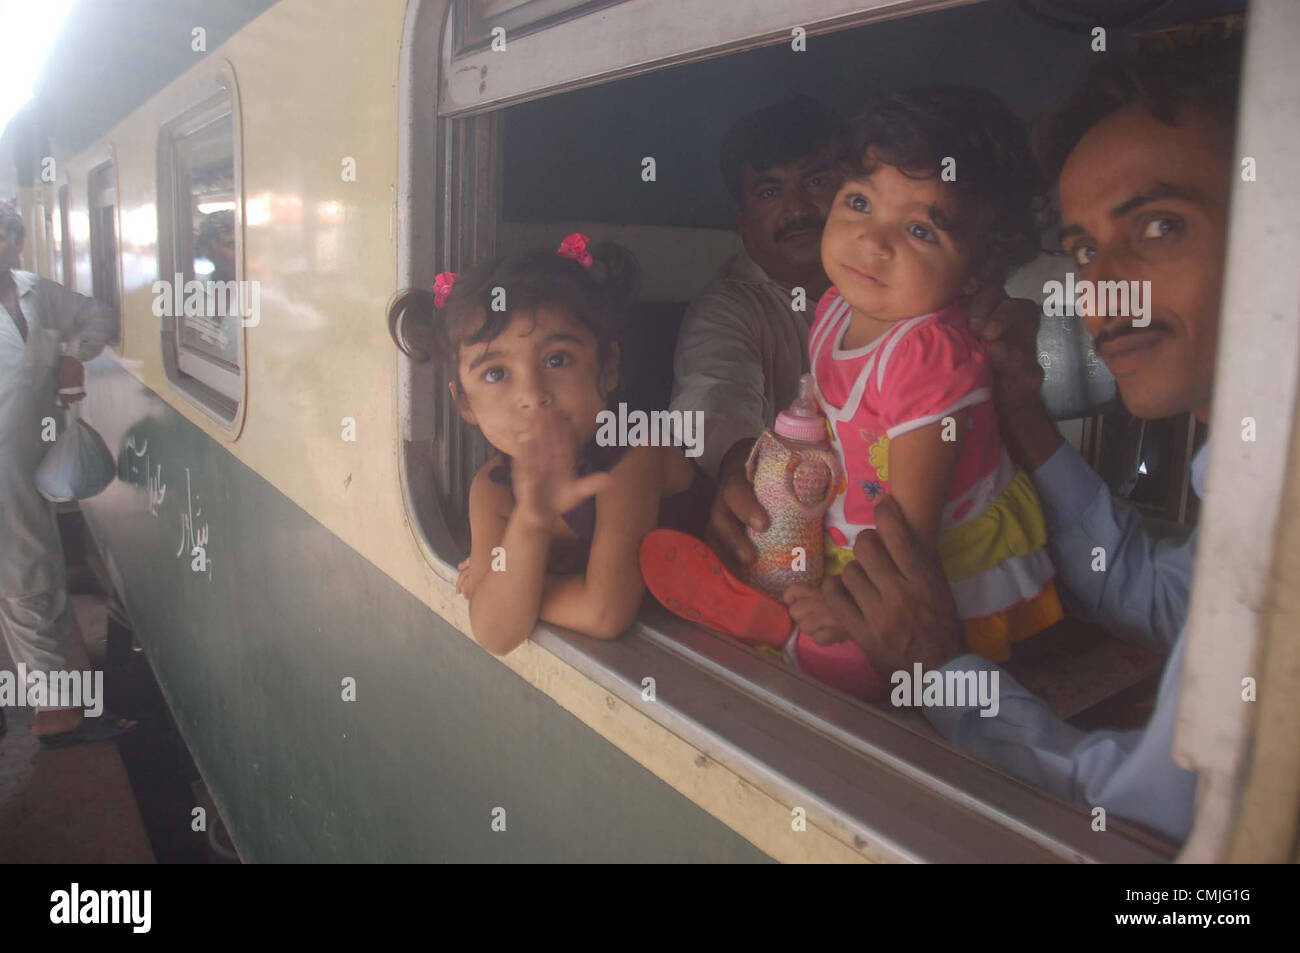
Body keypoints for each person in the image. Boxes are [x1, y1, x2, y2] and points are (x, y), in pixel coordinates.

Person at [803, 43, 1242, 842]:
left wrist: (939, 670)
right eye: (1082, 249)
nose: (1103, 286)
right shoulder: (1251, 492)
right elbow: (1157, 591)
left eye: (1159, 225)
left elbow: (1142, 828)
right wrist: (1023, 417)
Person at [780, 87, 1063, 698]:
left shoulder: (928, 357)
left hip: (931, 562)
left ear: (979, 268)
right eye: (859, 202)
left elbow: (910, 531)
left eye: (920, 229)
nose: (874, 242)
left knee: (850, 688)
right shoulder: (836, 304)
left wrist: (839, 603)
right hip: (865, 537)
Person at [388, 234, 711, 655]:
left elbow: (603, 612)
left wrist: (509, 584)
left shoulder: (636, 452)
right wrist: (531, 520)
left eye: (556, 360)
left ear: (608, 367)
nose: (532, 394)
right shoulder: (494, 489)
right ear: (464, 404)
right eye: (496, 373)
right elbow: (496, 631)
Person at [0, 199, 132, 745]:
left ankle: (54, 701)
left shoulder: (36, 291)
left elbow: (98, 313)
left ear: (17, 242)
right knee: (25, 575)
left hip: (32, 451)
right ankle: (53, 711)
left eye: (7, 238)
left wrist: (76, 353)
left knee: (34, 568)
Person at [669, 96, 839, 495]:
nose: (797, 209)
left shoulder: (903, 281)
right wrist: (738, 468)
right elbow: (714, 401)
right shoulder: (729, 308)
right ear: (741, 220)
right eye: (769, 192)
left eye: (815, 182)